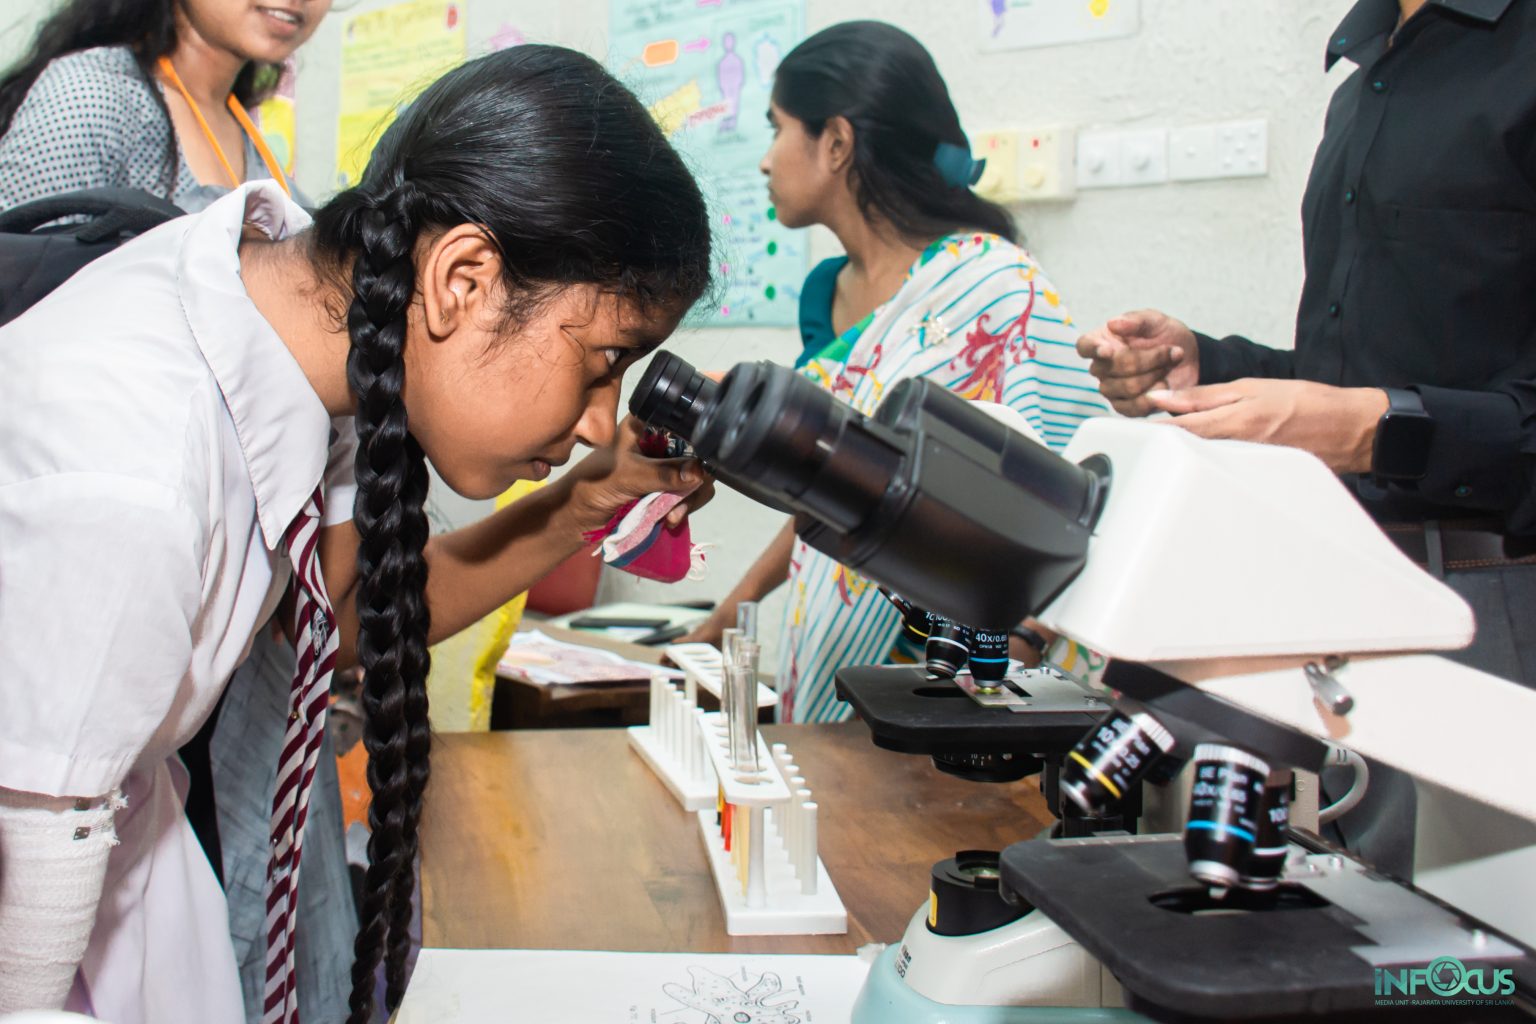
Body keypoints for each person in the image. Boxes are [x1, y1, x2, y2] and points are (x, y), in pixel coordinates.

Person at [0, 43, 712, 1024]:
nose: (600, 417)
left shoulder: (301, 301)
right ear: (461, 278)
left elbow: (335, 625)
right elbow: (34, 872)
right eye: (601, 360)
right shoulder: (137, 459)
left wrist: (597, 494)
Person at [1077, 0, 1536, 877]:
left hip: (1497, 595)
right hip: (1352, 588)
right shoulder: (1363, 78)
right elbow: (1368, 366)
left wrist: (1370, 429)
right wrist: (1203, 364)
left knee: (1476, 963)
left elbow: (1386, 409)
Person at [0, 3, 345, 1018]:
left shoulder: (250, 134)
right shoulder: (97, 92)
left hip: (209, 652)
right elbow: (30, 347)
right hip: (102, 615)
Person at [682, 21, 1109, 723]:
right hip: (822, 664)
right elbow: (832, 486)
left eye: (776, 128)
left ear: (837, 143)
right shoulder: (827, 294)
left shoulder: (994, 285)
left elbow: (1075, 495)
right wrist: (717, 625)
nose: (764, 160)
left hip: (954, 689)